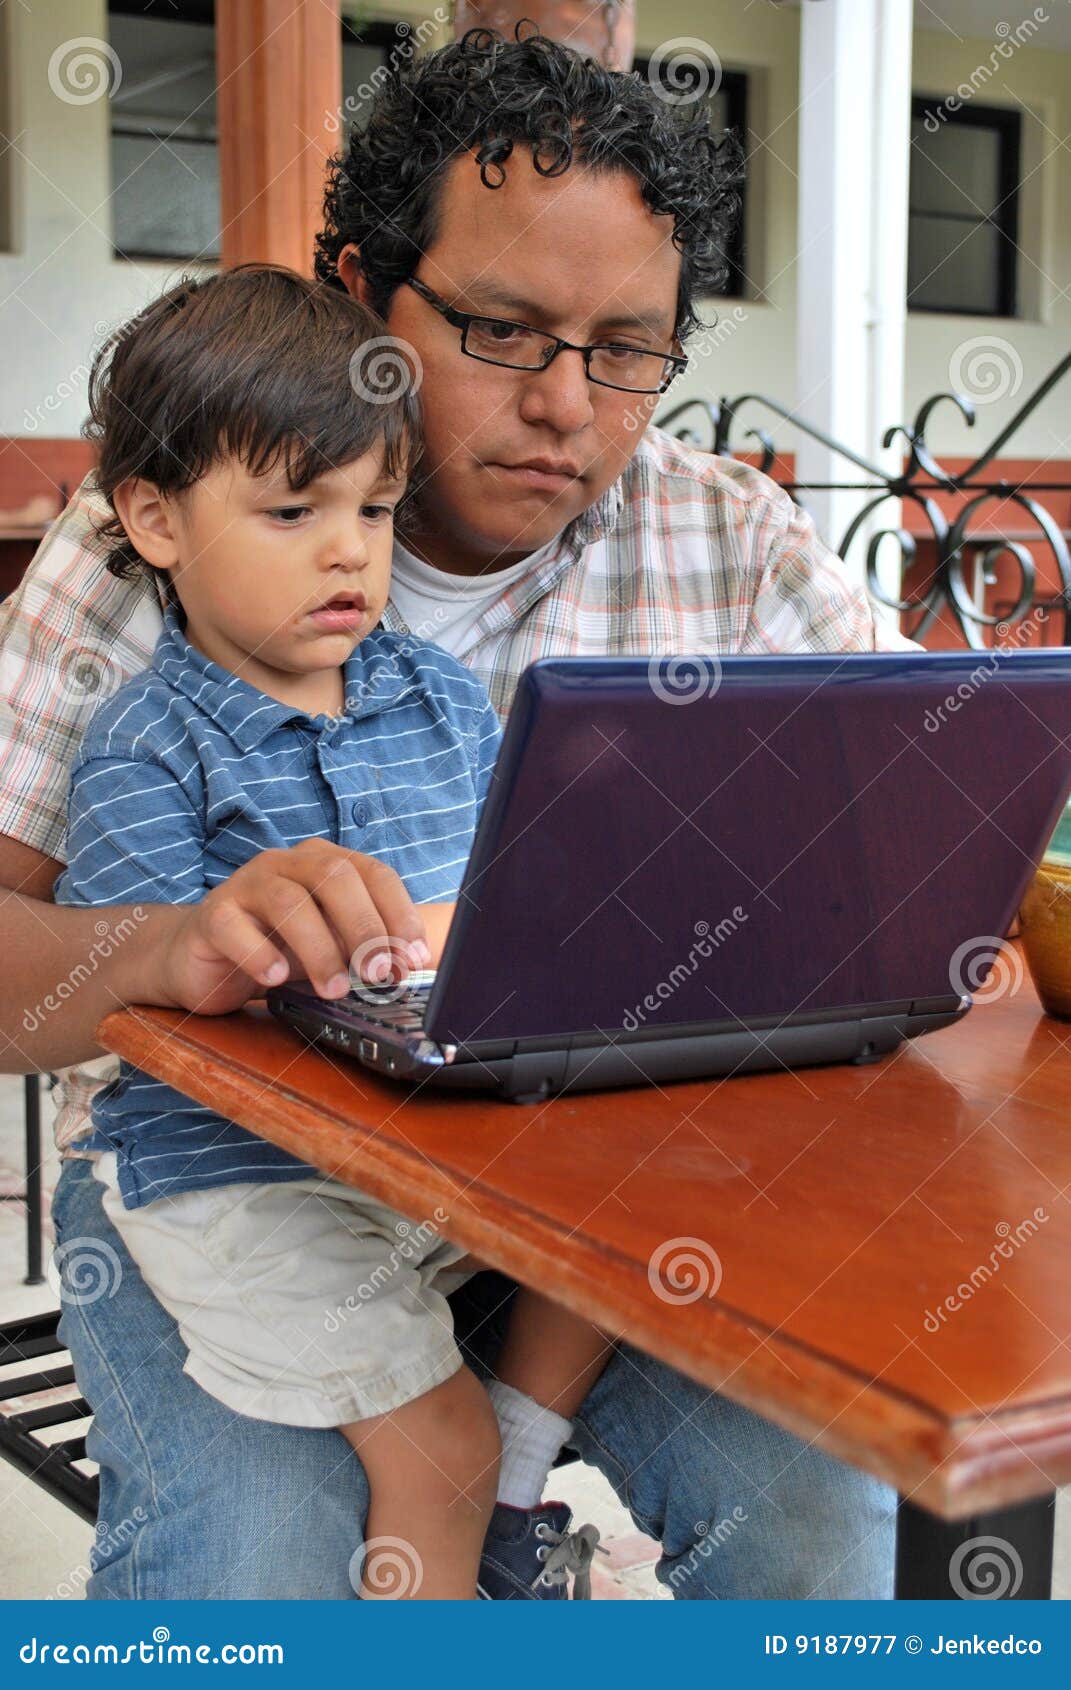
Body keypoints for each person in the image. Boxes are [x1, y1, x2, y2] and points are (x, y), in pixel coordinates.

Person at [1, 31, 902, 1599]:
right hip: (229, 1178)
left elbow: (936, 822)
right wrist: (162, 941)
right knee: (258, 1561)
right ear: (361, 288)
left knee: (818, 1508)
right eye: (500, 328)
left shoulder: (726, 536)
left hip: (560, 1169)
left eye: (627, 349)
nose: (567, 406)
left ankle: (499, 1515)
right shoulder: (158, 541)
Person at [51, 263, 611, 1601]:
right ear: (155, 518)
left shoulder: (445, 700)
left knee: (629, 1218)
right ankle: (466, 1544)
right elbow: (135, 1008)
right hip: (240, 1178)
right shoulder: (149, 739)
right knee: (440, 1446)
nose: (353, 548)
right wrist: (244, 948)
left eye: (372, 506)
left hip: (433, 1150)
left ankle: (517, 1507)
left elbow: (510, 897)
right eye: (294, 509)